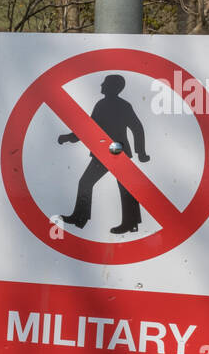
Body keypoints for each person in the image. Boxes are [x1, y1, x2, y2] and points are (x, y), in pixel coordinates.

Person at [57, 74, 150, 234]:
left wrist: (141, 152)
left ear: (113, 87)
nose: (101, 85)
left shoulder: (122, 106)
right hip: (104, 152)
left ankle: (130, 223)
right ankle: (81, 217)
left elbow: (137, 128)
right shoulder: (101, 105)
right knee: (87, 182)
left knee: (125, 187)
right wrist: (69, 137)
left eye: (105, 83)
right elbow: (88, 128)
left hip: (117, 152)